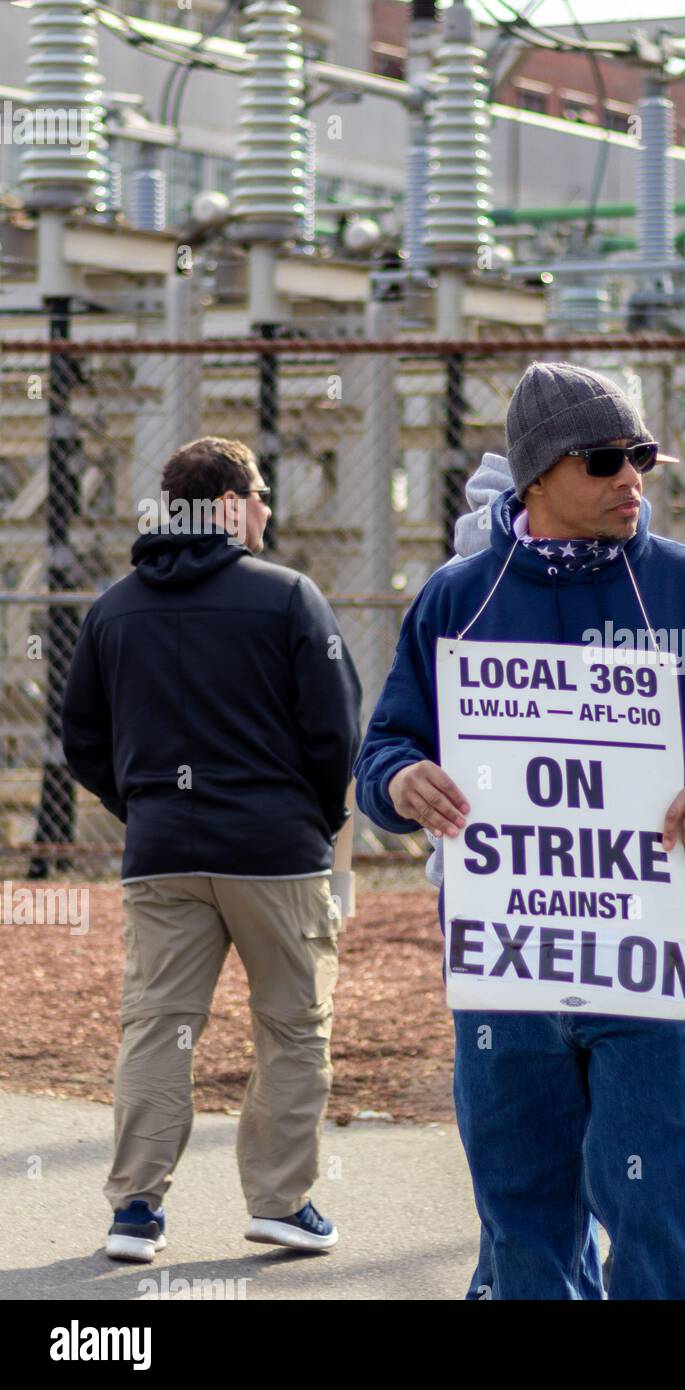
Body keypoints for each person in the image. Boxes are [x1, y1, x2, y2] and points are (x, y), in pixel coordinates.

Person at [354, 362, 685, 1299]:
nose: (632, 478)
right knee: (522, 1213)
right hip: (507, 967)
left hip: (647, 960)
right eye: (605, 460)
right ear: (535, 476)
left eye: (641, 456)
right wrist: (401, 780)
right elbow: (385, 747)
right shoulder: (457, 598)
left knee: (654, 1205)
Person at [61, 437, 363, 1263]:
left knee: (159, 1027)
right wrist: (314, 813)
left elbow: (81, 738)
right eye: (259, 493)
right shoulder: (289, 598)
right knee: (293, 1027)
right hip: (274, 850)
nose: (268, 508)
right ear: (230, 506)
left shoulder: (114, 607)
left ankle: (135, 1212)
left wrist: (145, 802)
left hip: (161, 849)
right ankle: (279, 1201)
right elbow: (335, 731)